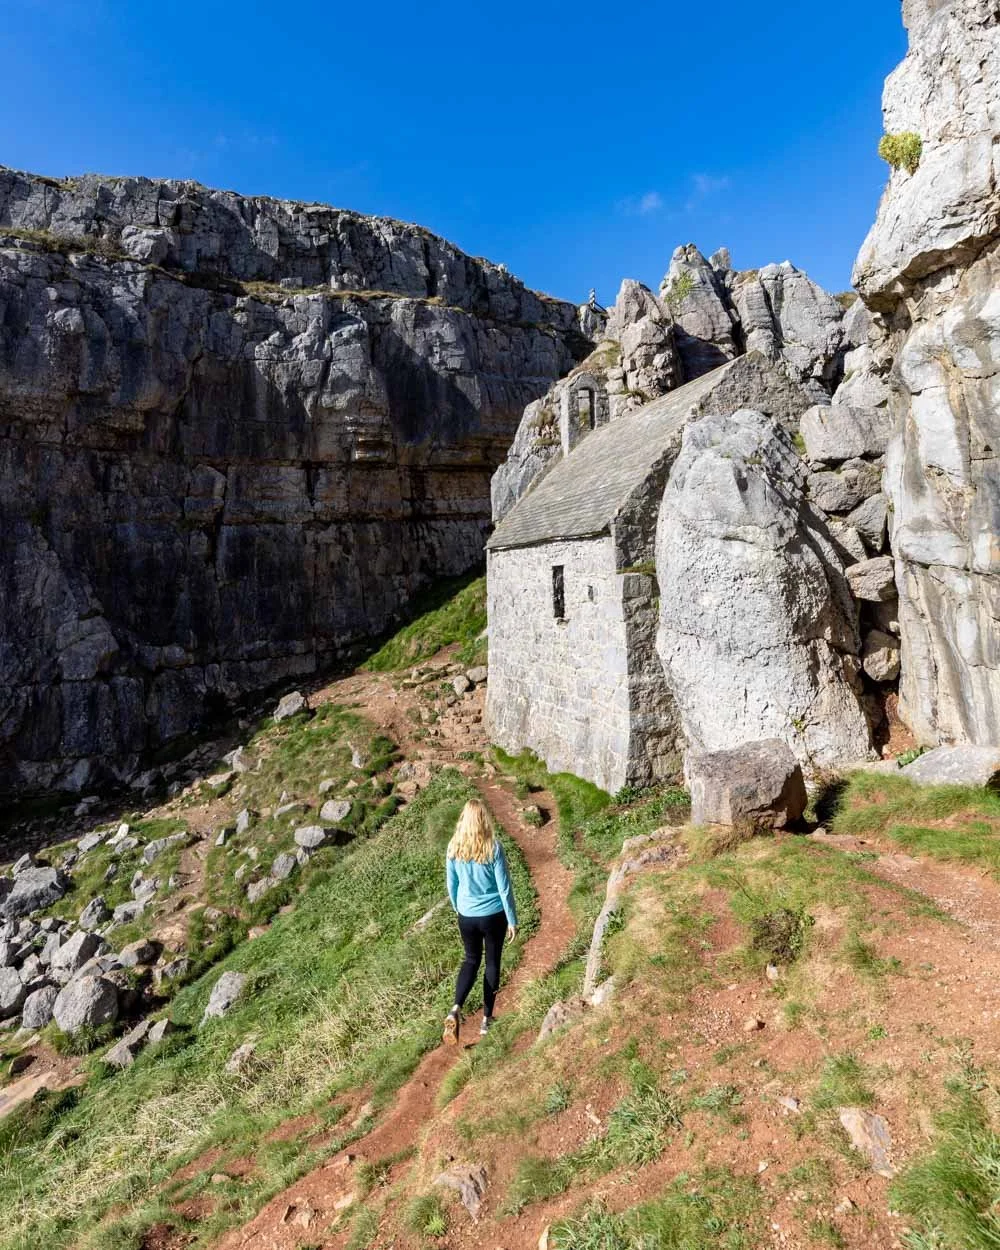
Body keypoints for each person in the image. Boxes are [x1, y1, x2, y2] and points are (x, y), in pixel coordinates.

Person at [442, 798, 518, 1045]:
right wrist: (512, 919)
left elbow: (451, 885)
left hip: (467, 915)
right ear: (483, 819)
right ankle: (486, 1021)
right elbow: (504, 888)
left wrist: (459, 908)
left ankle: (455, 1008)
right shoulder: (492, 847)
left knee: (470, 960)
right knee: (492, 962)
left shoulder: (453, 847)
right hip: (493, 914)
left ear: (463, 820)